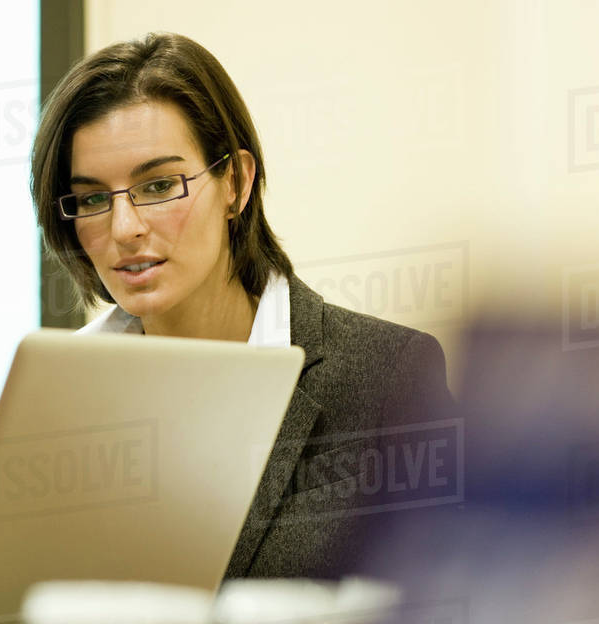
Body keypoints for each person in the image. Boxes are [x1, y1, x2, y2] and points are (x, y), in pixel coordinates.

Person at [30, 32, 456, 578]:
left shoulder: (389, 377)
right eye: (91, 198)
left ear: (235, 181)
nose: (125, 228)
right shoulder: (63, 393)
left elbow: (455, 614)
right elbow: (35, 598)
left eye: (159, 186)